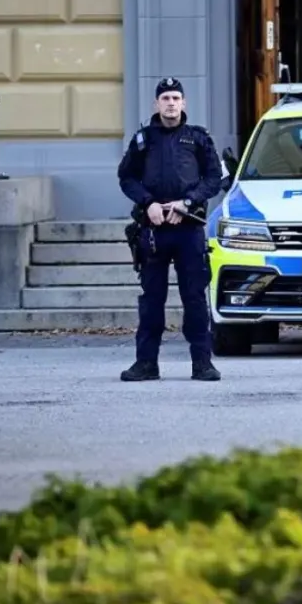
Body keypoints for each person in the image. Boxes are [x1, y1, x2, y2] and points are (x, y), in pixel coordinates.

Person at [117, 77, 222, 383]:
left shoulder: (198, 138)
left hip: (188, 229)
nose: (171, 103)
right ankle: (146, 364)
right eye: (165, 98)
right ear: (156, 104)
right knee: (152, 301)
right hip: (153, 230)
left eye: (176, 98)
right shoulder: (142, 139)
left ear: (184, 103)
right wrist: (148, 203)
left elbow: (214, 178)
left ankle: (202, 364)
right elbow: (126, 178)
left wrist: (188, 202)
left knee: (194, 299)